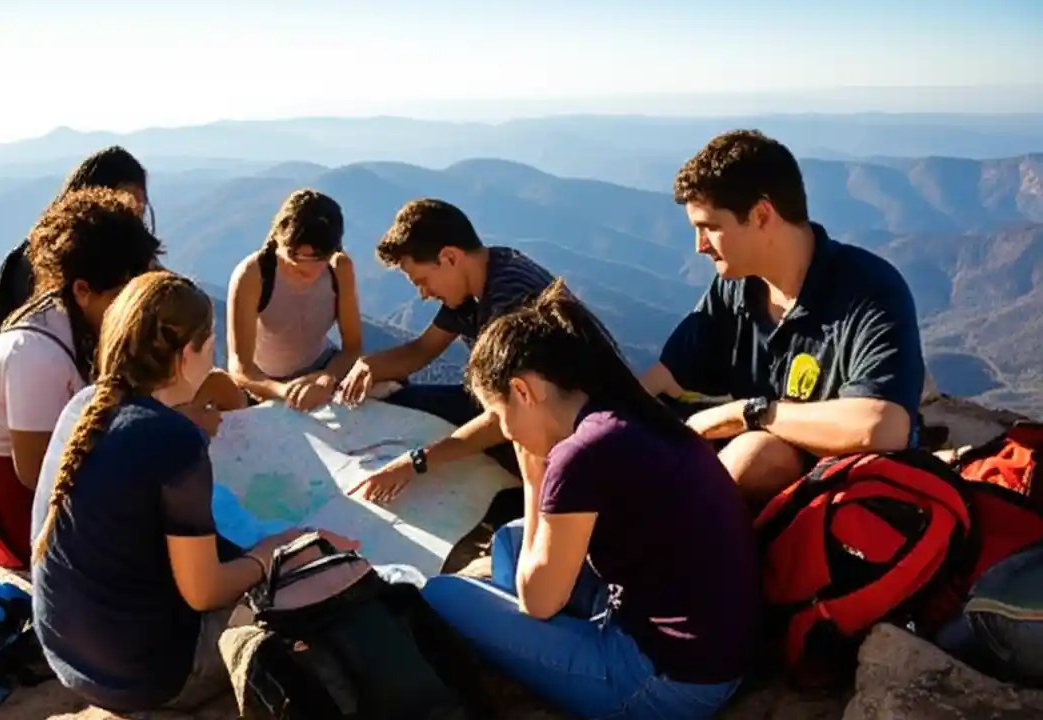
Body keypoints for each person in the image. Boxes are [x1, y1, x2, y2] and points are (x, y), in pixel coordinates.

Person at [421, 280, 760, 719]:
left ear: (524, 391)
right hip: (716, 647)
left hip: (663, 682)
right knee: (509, 543)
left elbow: (538, 603)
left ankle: (561, 660)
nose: (507, 433)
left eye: (502, 416)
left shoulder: (579, 455)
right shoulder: (627, 412)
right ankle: (556, 648)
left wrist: (532, 481)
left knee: (441, 594)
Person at [30, 270, 358, 714]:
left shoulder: (90, 406)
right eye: (209, 344)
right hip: (147, 676)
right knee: (307, 586)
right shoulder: (173, 443)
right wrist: (273, 551)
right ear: (188, 354)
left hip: (68, 655)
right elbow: (204, 593)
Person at [640, 129, 925, 509]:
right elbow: (658, 384)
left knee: (755, 455)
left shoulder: (868, 290)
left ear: (761, 215)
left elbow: (882, 426)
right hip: (744, 503)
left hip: (845, 509)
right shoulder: (735, 290)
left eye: (710, 227)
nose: (700, 246)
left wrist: (750, 413)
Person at [0, 187, 162, 570]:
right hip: (17, 505)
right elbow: (34, 471)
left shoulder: (83, 318)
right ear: (82, 290)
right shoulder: (33, 353)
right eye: (125, 293)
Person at [338, 198, 555, 506]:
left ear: (449, 257)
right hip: (502, 406)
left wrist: (416, 462)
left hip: (550, 427)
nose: (424, 294)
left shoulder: (513, 302)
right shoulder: (472, 287)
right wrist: (369, 366)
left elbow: (510, 415)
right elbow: (423, 349)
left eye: (423, 281)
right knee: (400, 401)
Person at [0, 145, 153, 386]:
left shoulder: (125, 254)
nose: (134, 213)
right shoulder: (38, 265)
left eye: (140, 206)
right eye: (126, 200)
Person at [227, 189, 363, 411]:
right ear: (279, 241)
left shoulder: (340, 268)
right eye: (296, 257)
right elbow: (241, 367)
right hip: (266, 383)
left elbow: (353, 348)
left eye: (321, 257)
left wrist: (327, 378)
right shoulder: (254, 275)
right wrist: (284, 391)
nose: (310, 268)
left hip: (324, 367)